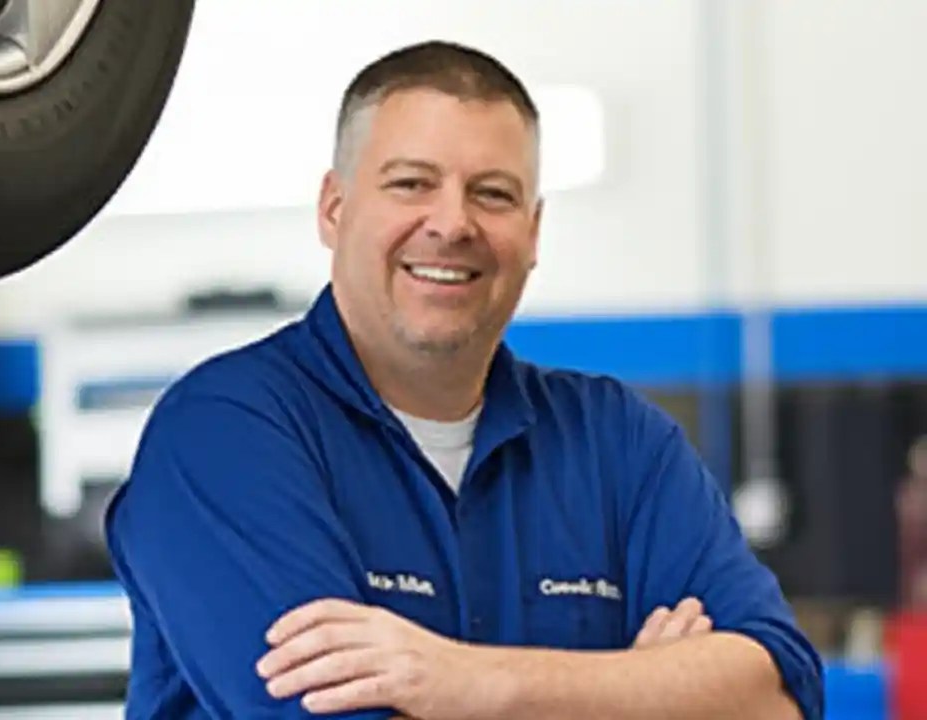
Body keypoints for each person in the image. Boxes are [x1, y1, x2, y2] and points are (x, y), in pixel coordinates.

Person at [104, 40, 823, 719]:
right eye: (411, 184)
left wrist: (463, 680)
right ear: (334, 208)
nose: (452, 224)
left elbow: (776, 698)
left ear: (533, 232)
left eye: (493, 194)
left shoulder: (618, 442)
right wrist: (635, 696)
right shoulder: (226, 431)